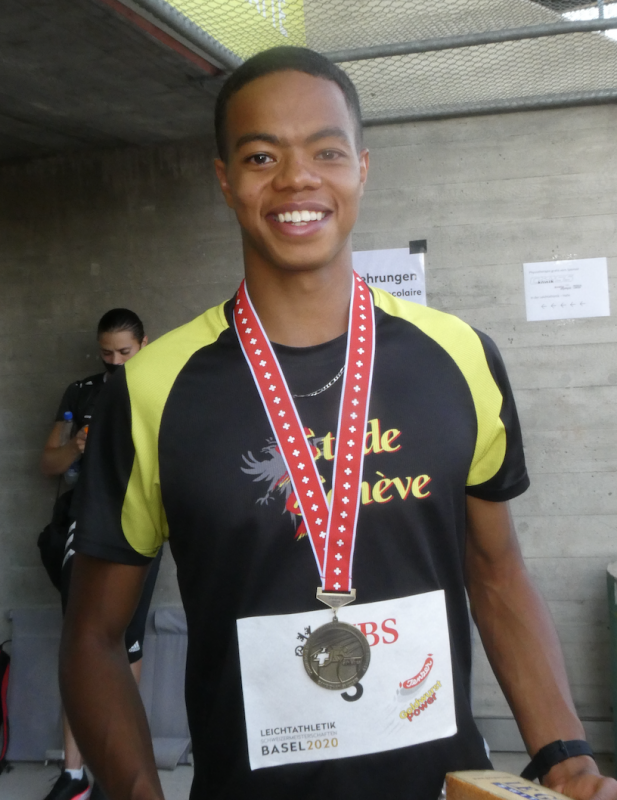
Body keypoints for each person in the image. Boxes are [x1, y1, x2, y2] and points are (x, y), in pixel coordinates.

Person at [60, 48, 617, 800]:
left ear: (361, 167)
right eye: (262, 155)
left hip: (442, 786)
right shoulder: (153, 388)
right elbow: (93, 636)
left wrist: (564, 755)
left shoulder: (458, 356)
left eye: (324, 151)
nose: (297, 178)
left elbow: (496, 572)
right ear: (225, 179)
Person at [42, 309, 162, 800]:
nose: (114, 360)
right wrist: (76, 446)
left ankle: (119, 772)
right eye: (106, 352)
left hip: (142, 522)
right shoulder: (81, 391)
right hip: (84, 522)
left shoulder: (160, 384)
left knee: (127, 642)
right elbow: (48, 462)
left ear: (144, 345)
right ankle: (74, 776)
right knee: (84, 635)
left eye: (124, 352)